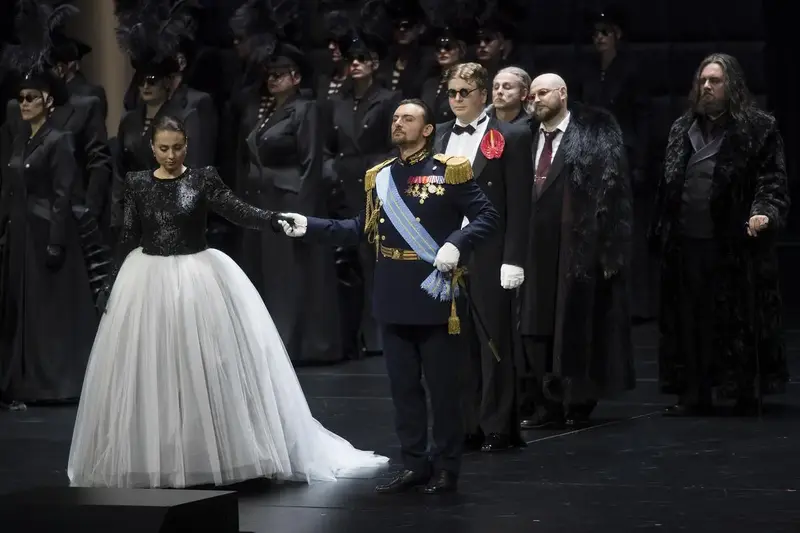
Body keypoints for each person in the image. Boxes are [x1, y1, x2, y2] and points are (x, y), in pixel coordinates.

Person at [67, 115, 388, 489]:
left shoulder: (203, 179)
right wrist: (110, 282)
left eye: (177, 147)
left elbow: (237, 210)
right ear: (152, 148)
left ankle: (212, 453)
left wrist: (272, 219)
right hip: (147, 280)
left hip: (196, 279)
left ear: (187, 145)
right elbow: (128, 234)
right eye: (163, 148)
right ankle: (160, 456)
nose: (171, 155)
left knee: (202, 364)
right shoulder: (138, 183)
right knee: (155, 366)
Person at [278, 99, 500, 494]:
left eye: (408, 118)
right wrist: (309, 226)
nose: (398, 123)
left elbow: (487, 216)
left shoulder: (449, 171)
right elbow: (358, 228)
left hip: (434, 292)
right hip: (393, 291)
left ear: (427, 130)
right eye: (396, 118)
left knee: (444, 391)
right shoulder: (380, 176)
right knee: (403, 390)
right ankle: (414, 464)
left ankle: (447, 466)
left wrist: (457, 241)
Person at [651, 53, 790, 416]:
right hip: (686, 241)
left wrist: (763, 211)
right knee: (689, 319)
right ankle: (694, 391)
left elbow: (771, 180)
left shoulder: (757, 128)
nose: (707, 87)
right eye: (703, 81)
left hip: (732, 243)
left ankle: (742, 390)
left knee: (735, 320)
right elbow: (667, 185)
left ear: (733, 85)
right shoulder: (683, 128)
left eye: (715, 81)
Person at [517, 73, 635, 430]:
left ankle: (577, 398)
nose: (536, 100)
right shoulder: (524, 135)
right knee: (535, 323)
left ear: (563, 93)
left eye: (543, 93)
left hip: (578, 243)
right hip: (532, 244)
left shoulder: (594, 133)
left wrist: (608, 247)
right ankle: (544, 401)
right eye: (532, 95)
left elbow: (614, 189)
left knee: (577, 322)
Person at [0, 1, 99, 410]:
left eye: (31, 98)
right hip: (22, 233)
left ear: (47, 102)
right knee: (23, 311)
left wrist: (56, 241)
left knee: (49, 313)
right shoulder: (20, 140)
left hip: (46, 233)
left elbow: (63, 193)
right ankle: (23, 381)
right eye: (20, 98)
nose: (23, 104)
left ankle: (55, 382)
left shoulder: (58, 141)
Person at [433, 62, 532, 452]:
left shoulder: (510, 135)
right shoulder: (439, 134)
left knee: (494, 340)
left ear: (483, 95)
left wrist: (514, 257)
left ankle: (497, 425)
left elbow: (519, 202)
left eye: (465, 92)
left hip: (490, 250)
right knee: (457, 343)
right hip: (447, 251)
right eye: (452, 92)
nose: (457, 99)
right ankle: (468, 423)